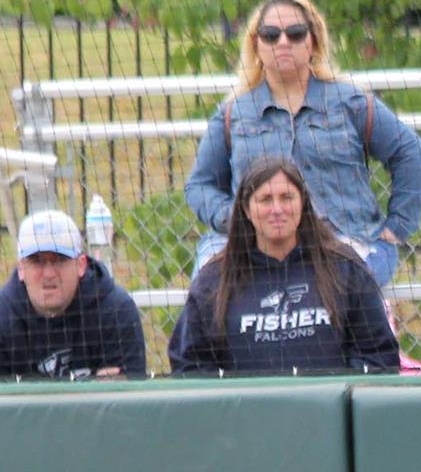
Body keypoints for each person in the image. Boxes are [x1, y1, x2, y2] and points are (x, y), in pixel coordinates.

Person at [184, 0, 421, 287]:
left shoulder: (351, 102)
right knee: (209, 293)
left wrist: (397, 226)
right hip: (252, 244)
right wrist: (234, 220)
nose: (283, 42)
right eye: (271, 35)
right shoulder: (233, 113)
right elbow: (200, 185)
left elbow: (411, 153)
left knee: (331, 300)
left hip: (346, 238)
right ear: (256, 45)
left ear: (313, 42)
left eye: (296, 33)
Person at [169, 156, 400, 375]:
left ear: (303, 204)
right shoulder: (214, 280)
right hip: (244, 415)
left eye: (286, 197)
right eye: (265, 199)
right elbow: (190, 365)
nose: (277, 209)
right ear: (247, 210)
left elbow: (378, 354)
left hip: (325, 414)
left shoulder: (344, 267)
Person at [0, 209, 146, 379]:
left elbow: (127, 397)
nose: (49, 274)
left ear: (81, 265)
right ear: (21, 269)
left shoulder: (115, 311)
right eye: (36, 261)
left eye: (60, 260)